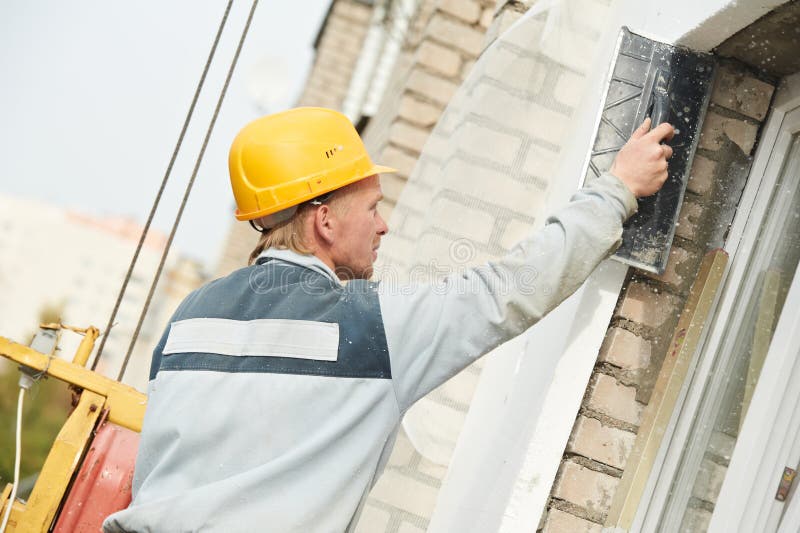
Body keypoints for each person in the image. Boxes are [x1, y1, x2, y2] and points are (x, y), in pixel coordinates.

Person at [103, 107, 673, 532]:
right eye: (373, 207)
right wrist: (617, 190)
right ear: (324, 221)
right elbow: (510, 289)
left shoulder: (189, 315)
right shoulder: (372, 328)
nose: (384, 226)